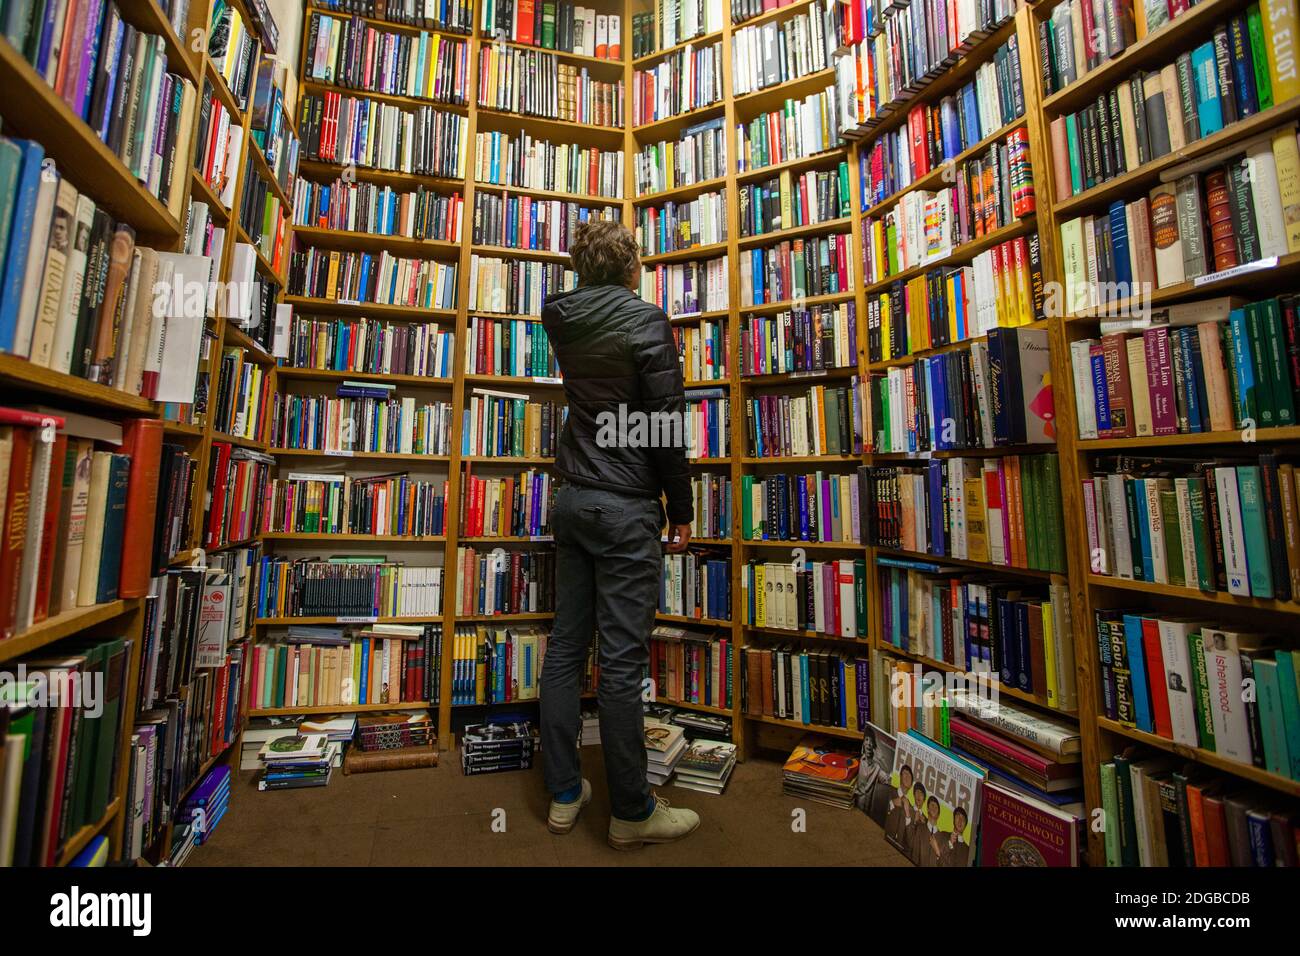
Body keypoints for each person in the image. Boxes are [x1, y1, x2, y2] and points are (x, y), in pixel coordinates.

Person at [538, 219, 700, 850]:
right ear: (631, 266)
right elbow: (664, 425)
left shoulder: (560, 316)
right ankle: (631, 811)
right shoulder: (647, 321)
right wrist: (680, 505)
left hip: (573, 497)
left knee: (565, 648)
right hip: (626, 506)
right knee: (622, 661)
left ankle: (563, 794)